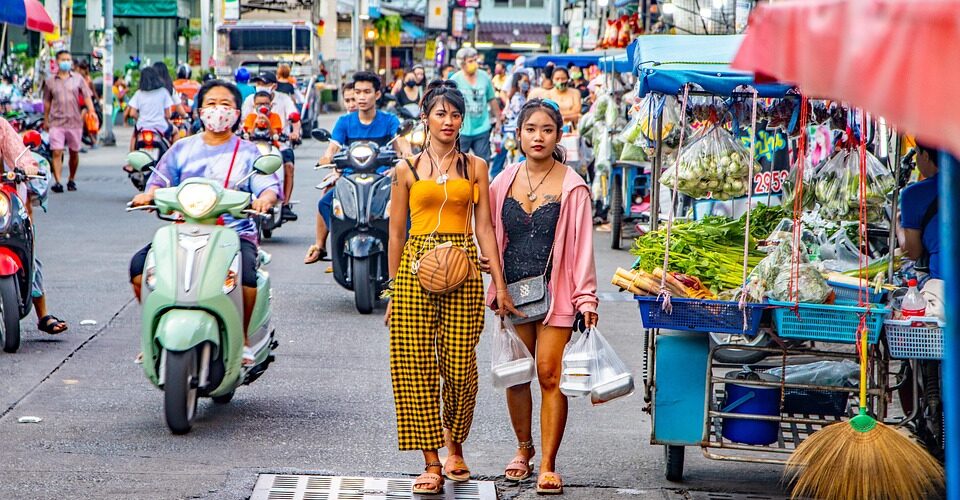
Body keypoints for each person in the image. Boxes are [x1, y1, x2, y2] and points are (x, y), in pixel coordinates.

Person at [384, 81, 518, 496]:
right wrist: (391, 292)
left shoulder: (475, 165)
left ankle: (454, 443)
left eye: (455, 114)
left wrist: (500, 283)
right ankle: (431, 460)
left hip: (462, 267)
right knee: (415, 367)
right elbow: (395, 234)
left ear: (463, 120)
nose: (448, 121)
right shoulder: (405, 169)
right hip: (414, 269)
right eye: (440, 113)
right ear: (425, 117)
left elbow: (485, 228)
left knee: (460, 368)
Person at [486, 98, 598, 495]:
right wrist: (490, 268)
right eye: (531, 129)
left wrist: (587, 300)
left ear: (558, 136)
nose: (538, 136)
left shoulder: (573, 186)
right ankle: (523, 449)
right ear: (518, 135)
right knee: (517, 378)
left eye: (547, 130)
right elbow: (487, 232)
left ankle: (548, 463)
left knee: (551, 376)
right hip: (512, 293)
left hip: (559, 295)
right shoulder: (502, 181)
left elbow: (583, 246)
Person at [129, 80, 280, 366]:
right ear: (200, 111)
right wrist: (148, 195)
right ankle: (154, 332)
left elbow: (267, 185)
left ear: (237, 112)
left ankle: (243, 338)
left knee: (246, 275)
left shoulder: (249, 152)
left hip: (235, 233)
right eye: (211, 104)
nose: (217, 110)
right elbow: (159, 180)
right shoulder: (181, 148)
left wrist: (265, 199)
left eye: (225, 104)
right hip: (184, 230)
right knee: (140, 268)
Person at [305, 71, 410, 264]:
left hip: (384, 180)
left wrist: (405, 157)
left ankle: (409, 251)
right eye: (358, 92)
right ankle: (324, 245)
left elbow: (402, 144)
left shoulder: (389, 121)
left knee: (406, 207)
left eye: (367, 92)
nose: (361, 97)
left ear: (377, 95)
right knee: (325, 203)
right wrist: (327, 158)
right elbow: (333, 147)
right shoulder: (345, 122)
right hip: (349, 180)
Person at [0, 117, 68, 335]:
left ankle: (43, 313)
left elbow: (20, 153)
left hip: (3, 196)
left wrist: (27, 168)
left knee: (25, 245)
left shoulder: (1, 126)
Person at [242, 72, 302, 221]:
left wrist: (295, 133)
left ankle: (285, 203)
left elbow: (293, 118)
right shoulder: (250, 101)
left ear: (273, 86)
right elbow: (244, 123)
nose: (260, 87)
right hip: (253, 144)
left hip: (278, 143)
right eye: (258, 84)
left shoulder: (284, 100)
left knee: (288, 165)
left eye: (264, 84)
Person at [43, 50, 97, 193]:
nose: (66, 62)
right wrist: (46, 120)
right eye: (63, 59)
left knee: (74, 153)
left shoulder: (78, 79)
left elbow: (87, 97)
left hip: (75, 122)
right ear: (57, 61)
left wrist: (92, 112)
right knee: (56, 151)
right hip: (56, 122)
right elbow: (47, 102)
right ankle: (58, 181)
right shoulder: (50, 82)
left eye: (68, 59)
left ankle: (71, 179)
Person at [450, 47, 501, 162]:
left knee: (483, 161)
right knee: (458, 162)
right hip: (462, 129)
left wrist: (498, 120)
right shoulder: (455, 80)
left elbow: (492, 99)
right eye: (470, 61)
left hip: (482, 127)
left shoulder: (484, 77)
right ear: (462, 64)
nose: (474, 63)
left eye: (475, 60)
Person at [900, 141, 941, 279]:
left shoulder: (913, 194)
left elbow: (912, 252)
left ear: (926, 156)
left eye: (917, 152)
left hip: (945, 284)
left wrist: (898, 225)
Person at [490, 72, 532, 179]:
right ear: (517, 82)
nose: (526, 83)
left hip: (513, 128)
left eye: (527, 81)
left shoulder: (519, 96)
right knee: (506, 150)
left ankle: (498, 172)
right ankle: (496, 173)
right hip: (512, 129)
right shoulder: (517, 97)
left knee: (507, 152)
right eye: (524, 81)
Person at [126, 66, 175, 151]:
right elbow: (168, 114)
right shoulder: (163, 92)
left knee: (134, 137)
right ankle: (174, 156)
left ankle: (131, 161)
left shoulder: (139, 93)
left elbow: (132, 113)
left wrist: (141, 118)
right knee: (176, 131)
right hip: (160, 127)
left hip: (142, 127)